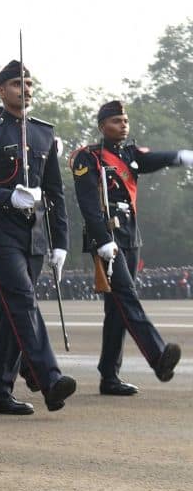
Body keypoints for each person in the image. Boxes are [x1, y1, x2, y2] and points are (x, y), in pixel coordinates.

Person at [0, 60, 77, 415]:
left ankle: (0, 391)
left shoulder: (44, 133)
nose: (25, 90)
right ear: (1, 91)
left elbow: (56, 193)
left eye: (28, 84)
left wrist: (60, 242)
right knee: (23, 301)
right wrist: (8, 196)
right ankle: (49, 378)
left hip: (33, 236)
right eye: (16, 84)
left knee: (12, 312)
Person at [70, 100, 186, 395]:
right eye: (116, 121)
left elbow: (156, 158)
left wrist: (182, 157)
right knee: (127, 297)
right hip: (107, 239)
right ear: (102, 126)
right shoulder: (89, 158)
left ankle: (109, 376)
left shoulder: (131, 155)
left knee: (117, 310)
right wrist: (103, 241)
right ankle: (158, 357)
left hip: (130, 238)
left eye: (125, 120)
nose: (123, 125)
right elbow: (88, 205)